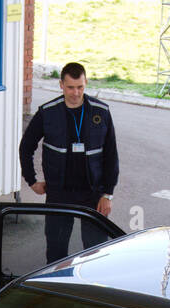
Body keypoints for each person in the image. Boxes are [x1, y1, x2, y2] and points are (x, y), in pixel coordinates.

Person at [19, 61, 119, 263]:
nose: (75, 93)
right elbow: (26, 147)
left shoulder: (101, 112)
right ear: (61, 85)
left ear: (86, 83)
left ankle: (91, 288)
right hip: (59, 192)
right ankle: (58, 286)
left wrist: (108, 194)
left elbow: (111, 156)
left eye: (80, 87)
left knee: (96, 252)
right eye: (71, 87)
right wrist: (31, 180)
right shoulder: (47, 112)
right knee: (57, 251)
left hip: (93, 194)